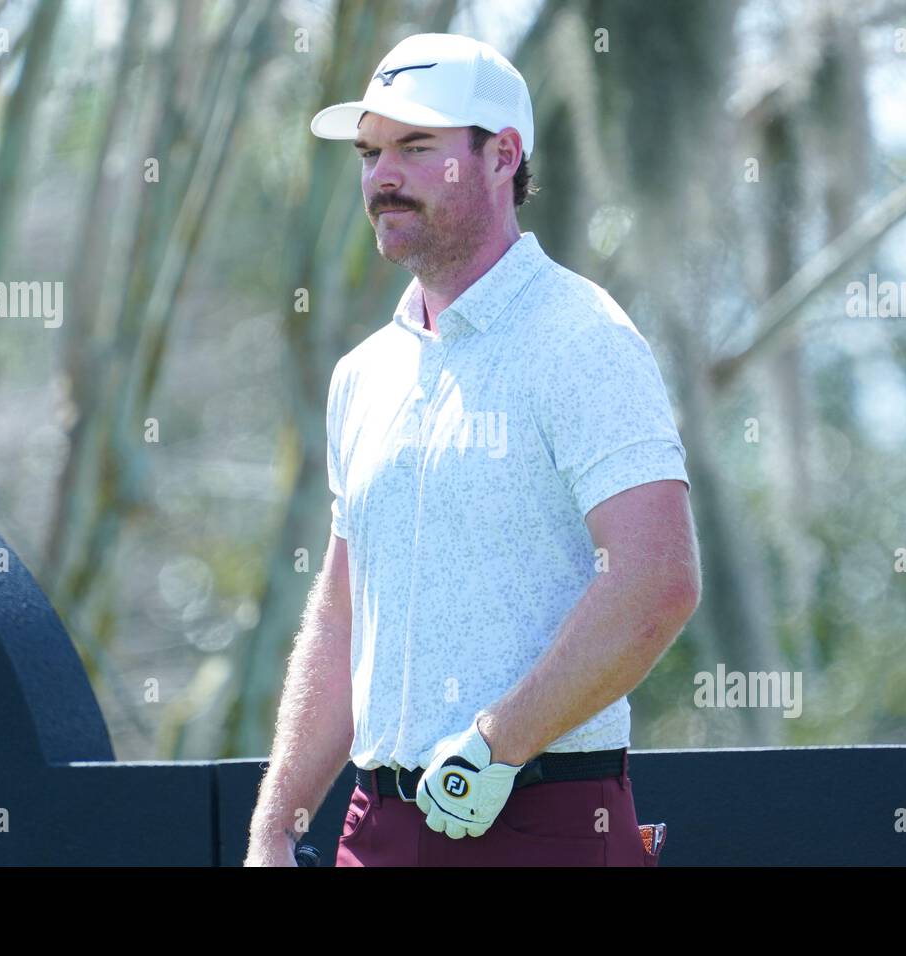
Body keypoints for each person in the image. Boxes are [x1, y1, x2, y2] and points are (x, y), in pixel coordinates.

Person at [244, 32, 700, 867]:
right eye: (371, 151)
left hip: (544, 817)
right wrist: (277, 824)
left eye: (417, 147)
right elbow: (344, 611)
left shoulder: (583, 337)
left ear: (503, 157)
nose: (382, 176)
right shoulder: (364, 374)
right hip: (373, 832)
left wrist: (499, 743)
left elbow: (656, 579)